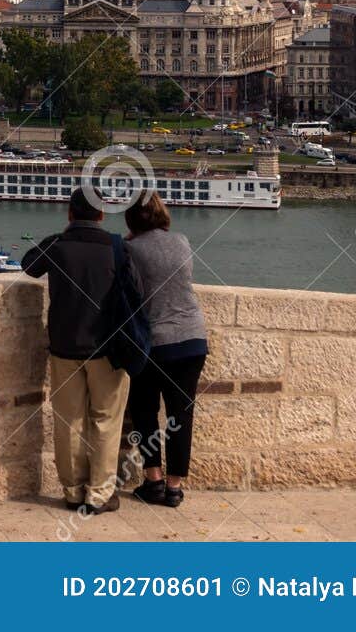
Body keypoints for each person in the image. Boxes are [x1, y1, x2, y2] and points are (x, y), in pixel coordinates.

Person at [22, 187, 142, 514]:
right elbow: (137, 291)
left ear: (70, 214)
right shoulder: (117, 248)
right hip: (107, 348)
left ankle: (73, 490)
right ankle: (100, 494)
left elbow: (29, 264)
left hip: (64, 346)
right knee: (105, 420)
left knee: (68, 420)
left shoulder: (59, 246)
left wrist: (60, 237)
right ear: (102, 214)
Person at [121, 191, 207, 508]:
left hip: (155, 342)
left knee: (144, 411)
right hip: (193, 338)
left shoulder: (128, 248)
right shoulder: (181, 241)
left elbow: (132, 291)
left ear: (131, 219)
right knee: (180, 415)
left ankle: (153, 481)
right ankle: (174, 488)